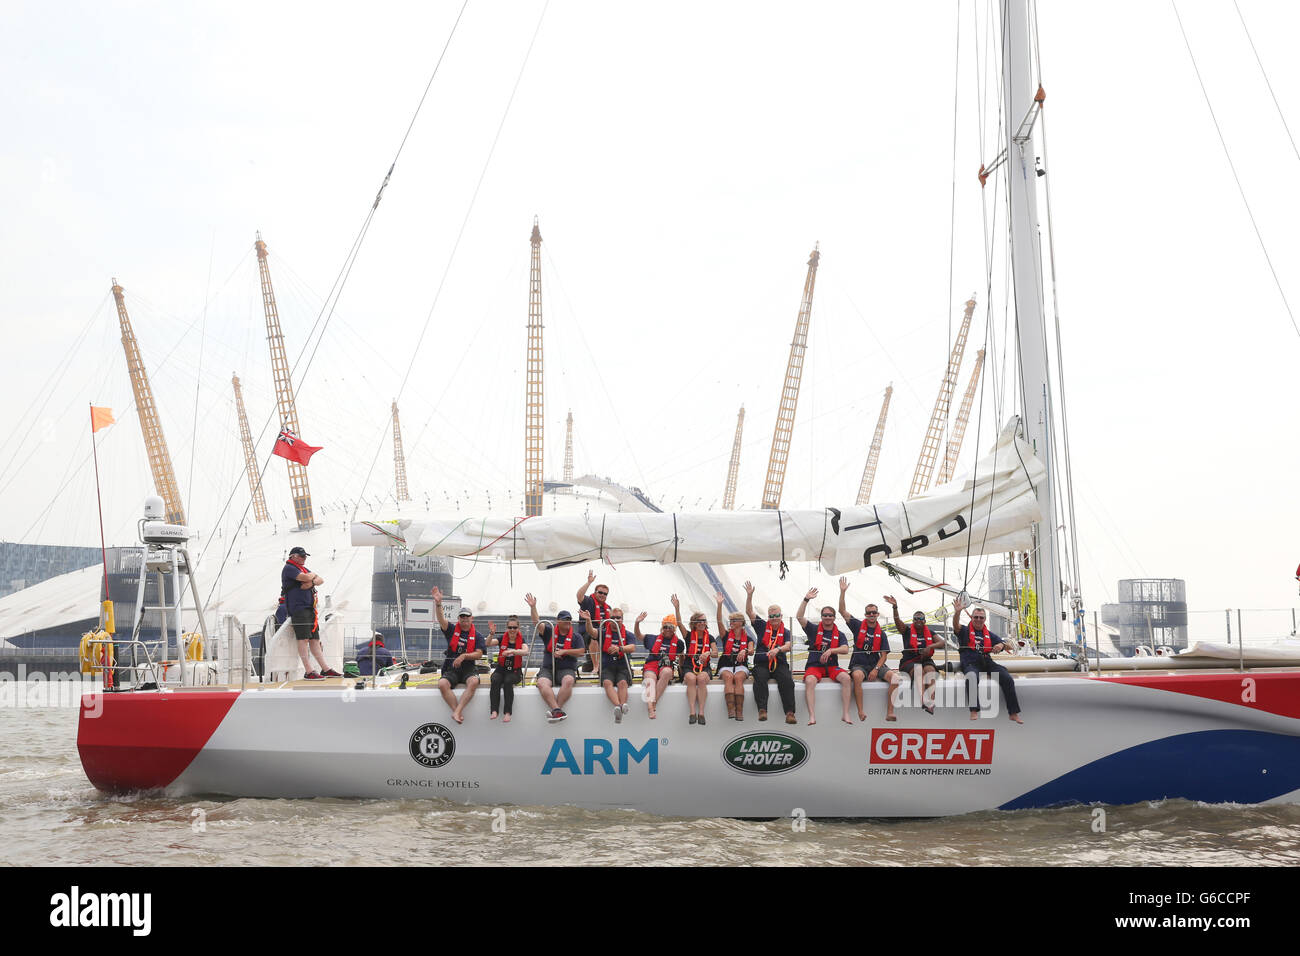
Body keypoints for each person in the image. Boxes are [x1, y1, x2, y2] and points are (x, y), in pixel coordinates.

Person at [952, 597, 1024, 723]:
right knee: (971, 677)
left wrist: (1001, 645)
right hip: (970, 662)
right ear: (972, 618)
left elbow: (1008, 645)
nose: (978, 620)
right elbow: (956, 626)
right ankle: (974, 710)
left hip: (987, 662)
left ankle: (1013, 712)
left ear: (985, 619)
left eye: (981, 617)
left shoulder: (989, 634)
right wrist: (957, 612)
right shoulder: (964, 631)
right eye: (976, 617)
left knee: (1006, 678)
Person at [838, 578, 899, 722]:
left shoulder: (882, 633)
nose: (871, 615)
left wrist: (876, 669)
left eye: (874, 612)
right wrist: (842, 592)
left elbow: (884, 656)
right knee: (858, 677)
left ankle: (890, 712)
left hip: (875, 664)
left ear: (878, 614)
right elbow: (842, 611)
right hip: (859, 664)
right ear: (865, 615)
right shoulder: (857, 625)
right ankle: (860, 711)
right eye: (869, 613)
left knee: (896, 679)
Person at [282, 546, 340, 680]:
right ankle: (309, 671)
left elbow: (320, 579)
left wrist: (311, 581)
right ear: (293, 556)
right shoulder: (289, 568)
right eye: (302, 556)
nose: (304, 558)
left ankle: (325, 669)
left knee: (315, 639)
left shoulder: (301, 568)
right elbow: (305, 577)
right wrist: (312, 577)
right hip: (299, 608)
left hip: (309, 608)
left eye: (305, 556)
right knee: (303, 639)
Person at [797, 588, 853, 725]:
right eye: (825, 615)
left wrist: (831, 650)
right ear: (821, 617)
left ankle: (845, 713)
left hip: (832, 667)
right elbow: (799, 617)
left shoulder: (840, 634)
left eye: (830, 615)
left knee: (846, 678)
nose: (828, 617)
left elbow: (846, 649)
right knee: (810, 681)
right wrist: (806, 599)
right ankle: (812, 716)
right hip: (815, 666)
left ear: (834, 618)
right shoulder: (813, 629)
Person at [744, 581, 796, 724]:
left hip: (779, 663)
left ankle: (790, 713)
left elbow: (789, 645)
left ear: (781, 616)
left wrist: (777, 649)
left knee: (787, 681)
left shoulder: (785, 631)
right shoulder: (761, 625)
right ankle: (762, 710)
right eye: (771, 616)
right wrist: (749, 596)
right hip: (762, 663)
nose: (774, 618)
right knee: (759, 678)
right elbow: (749, 611)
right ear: (768, 617)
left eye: (776, 615)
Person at [431, 586, 486, 724]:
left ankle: (457, 711)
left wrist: (464, 656)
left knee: (473, 682)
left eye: (467, 616)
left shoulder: (478, 636)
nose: (464, 619)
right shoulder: (451, 630)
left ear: (471, 618)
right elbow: (441, 619)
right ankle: (457, 711)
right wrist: (438, 603)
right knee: (442, 684)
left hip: (468, 669)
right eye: (462, 617)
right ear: (459, 619)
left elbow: (479, 654)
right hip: (452, 669)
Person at [528, 593, 584, 722]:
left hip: (566, 669)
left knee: (569, 681)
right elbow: (537, 623)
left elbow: (581, 652)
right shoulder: (549, 631)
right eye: (565, 620)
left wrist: (565, 651)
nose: (568, 622)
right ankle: (557, 710)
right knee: (542, 683)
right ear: (558, 621)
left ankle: (556, 710)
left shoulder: (576, 637)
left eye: (569, 620)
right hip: (548, 668)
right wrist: (533, 607)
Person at [884, 595, 939, 715]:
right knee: (919, 670)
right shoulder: (907, 630)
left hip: (925, 659)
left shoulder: (930, 632)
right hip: (909, 661)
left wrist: (930, 647)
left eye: (921, 619)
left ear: (924, 621)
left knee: (930, 670)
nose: (918, 621)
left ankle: (931, 700)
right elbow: (898, 622)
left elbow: (942, 642)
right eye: (916, 619)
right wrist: (895, 607)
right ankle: (923, 700)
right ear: (913, 621)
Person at [670, 594, 713, 725]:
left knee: (700, 679)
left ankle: (701, 713)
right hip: (689, 666)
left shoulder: (710, 637)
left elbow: (716, 652)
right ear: (694, 623)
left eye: (704, 620)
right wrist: (677, 608)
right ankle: (692, 712)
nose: (702, 623)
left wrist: (708, 652)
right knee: (691, 679)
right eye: (699, 621)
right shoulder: (688, 635)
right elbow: (679, 623)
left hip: (704, 667)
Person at [588, 604, 634, 723]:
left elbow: (632, 647)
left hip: (622, 666)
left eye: (618, 618)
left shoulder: (628, 634)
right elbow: (591, 632)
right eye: (613, 618)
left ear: (622, 619)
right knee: (607, 683)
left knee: (623, 683)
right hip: (607, 666)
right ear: (609, 618)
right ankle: (619, 706)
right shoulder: (603, 632)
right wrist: (588, 620)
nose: (616, 620)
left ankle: (621, 707)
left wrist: (620, 648)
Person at [714, 592, 753, 721]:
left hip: (741, 665)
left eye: (733, 620)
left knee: (738, 677)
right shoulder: (725, 635)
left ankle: (740, 711)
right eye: (730, 620)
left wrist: (745, 650)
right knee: (729, 677)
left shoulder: (748, 638)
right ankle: (731, 709)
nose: (730, 622)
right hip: (726, 664)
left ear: (741, 623)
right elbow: (719, 621)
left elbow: (751, 651)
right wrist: (719, 605)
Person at [637, 612, 681, 720]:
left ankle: (653, 703)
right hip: (651, 665)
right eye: (665, 627)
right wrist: (637, 623)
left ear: (674, 629)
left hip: (665, 667)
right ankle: (651, 709)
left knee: (667, 672)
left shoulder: (679, 643)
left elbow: (682, 658)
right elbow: (638, 636)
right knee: (650, 681)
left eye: (670, 627)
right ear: (662, 627)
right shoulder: (652, 638)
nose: (667, 629)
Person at [488, 614, 530, 722]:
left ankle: (507, 712)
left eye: (514, 627)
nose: (512, 630)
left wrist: (513, 651)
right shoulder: (502, 638)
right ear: (507, 628)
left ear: (518, 628)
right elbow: (487, 644)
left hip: (515, 672)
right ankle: (494, 710)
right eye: (510, 627)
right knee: (495, 679)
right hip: (501, 669)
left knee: (508, 681)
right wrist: (491, 634)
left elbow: (526, 651)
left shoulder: (522, 640)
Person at [576, 570, 616, 675]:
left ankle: (622, 665)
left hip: (603, 633)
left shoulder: (609, 608)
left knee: (619, 638)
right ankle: (596, 667)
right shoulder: (589, 601)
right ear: (595, 592)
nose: (603, 595)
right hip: (588, 633)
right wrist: (589, 582)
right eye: (600, 592)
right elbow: (579, 596)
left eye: (605, 594)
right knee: (594, 638)